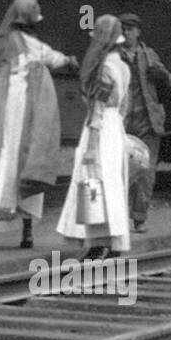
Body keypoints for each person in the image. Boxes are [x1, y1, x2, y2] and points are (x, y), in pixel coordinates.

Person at [0, 0, 77, 250]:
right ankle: (27, 233)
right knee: (27, 161)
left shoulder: (1, 43)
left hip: (2, 110)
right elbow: (56, 59)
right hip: (30, 112)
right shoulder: (37, 46)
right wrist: (69, 59)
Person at [55, 15, 132, 259]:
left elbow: (97, 109)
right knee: (111, 184)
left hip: (99, 129)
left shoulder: (104, 69)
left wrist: (91, 146)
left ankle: (99, 241)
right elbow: (124, 107)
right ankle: (112, 241)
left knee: (93, 181)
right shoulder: (123, 67)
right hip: (115, 127)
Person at [118, 12, 171, 232]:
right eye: (122, 30)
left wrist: (160, 75)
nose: (126, 33)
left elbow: (169, 80)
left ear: (138, 32)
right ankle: (118, 218)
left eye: (130, 29)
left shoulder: (149, 54)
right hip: (122, 122)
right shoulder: (113, 55)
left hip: (148, 121)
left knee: (146, 172)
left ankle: (139, 218)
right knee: (120, 171)